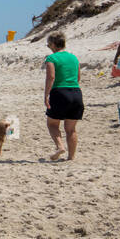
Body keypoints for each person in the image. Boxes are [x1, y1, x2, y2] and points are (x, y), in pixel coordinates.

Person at [43, 32, 83, 161]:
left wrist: (46, 95)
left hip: (60, 93)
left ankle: (60, 146)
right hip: (76, 93)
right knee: (71, 129)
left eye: (49, 45)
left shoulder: (51, 58)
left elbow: (51, 77)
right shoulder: (74, 58)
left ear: (54, 44)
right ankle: (71, 157)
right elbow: (78, 77)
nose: (49, 47)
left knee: (52, 124)